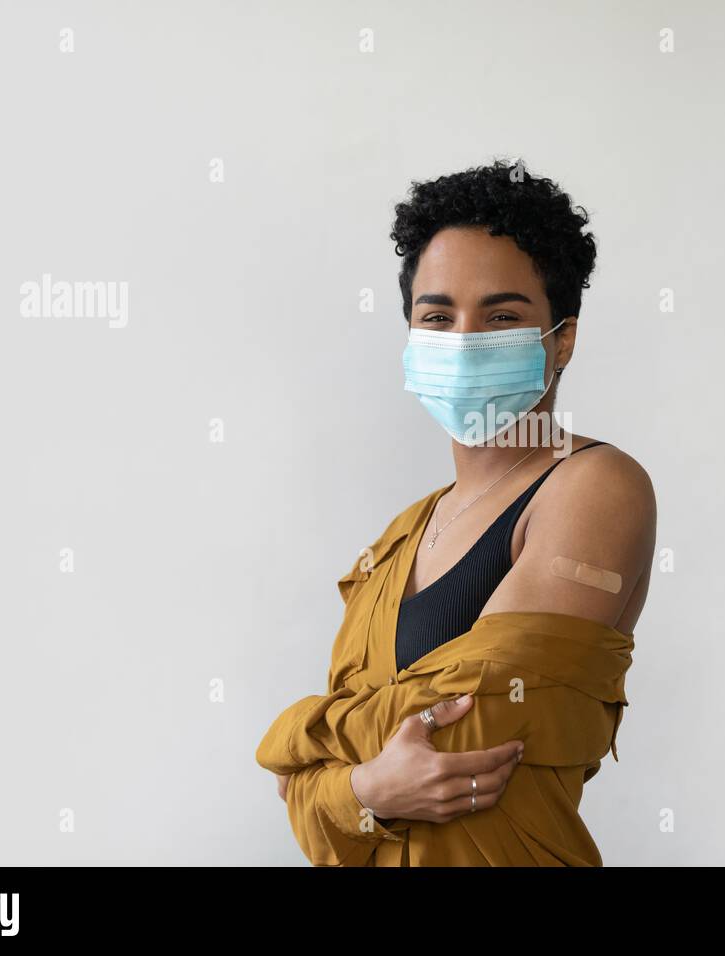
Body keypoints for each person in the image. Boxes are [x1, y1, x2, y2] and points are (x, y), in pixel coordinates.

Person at [256, 159, 656, 865]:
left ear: (561, 339)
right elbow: (301, 801)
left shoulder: (594, 487)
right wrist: (368, 789)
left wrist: (296, 737)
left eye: (501, 316)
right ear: (411, 338)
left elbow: (472, 729)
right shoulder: (398, 539)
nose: (464, 341)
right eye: (437, 317)